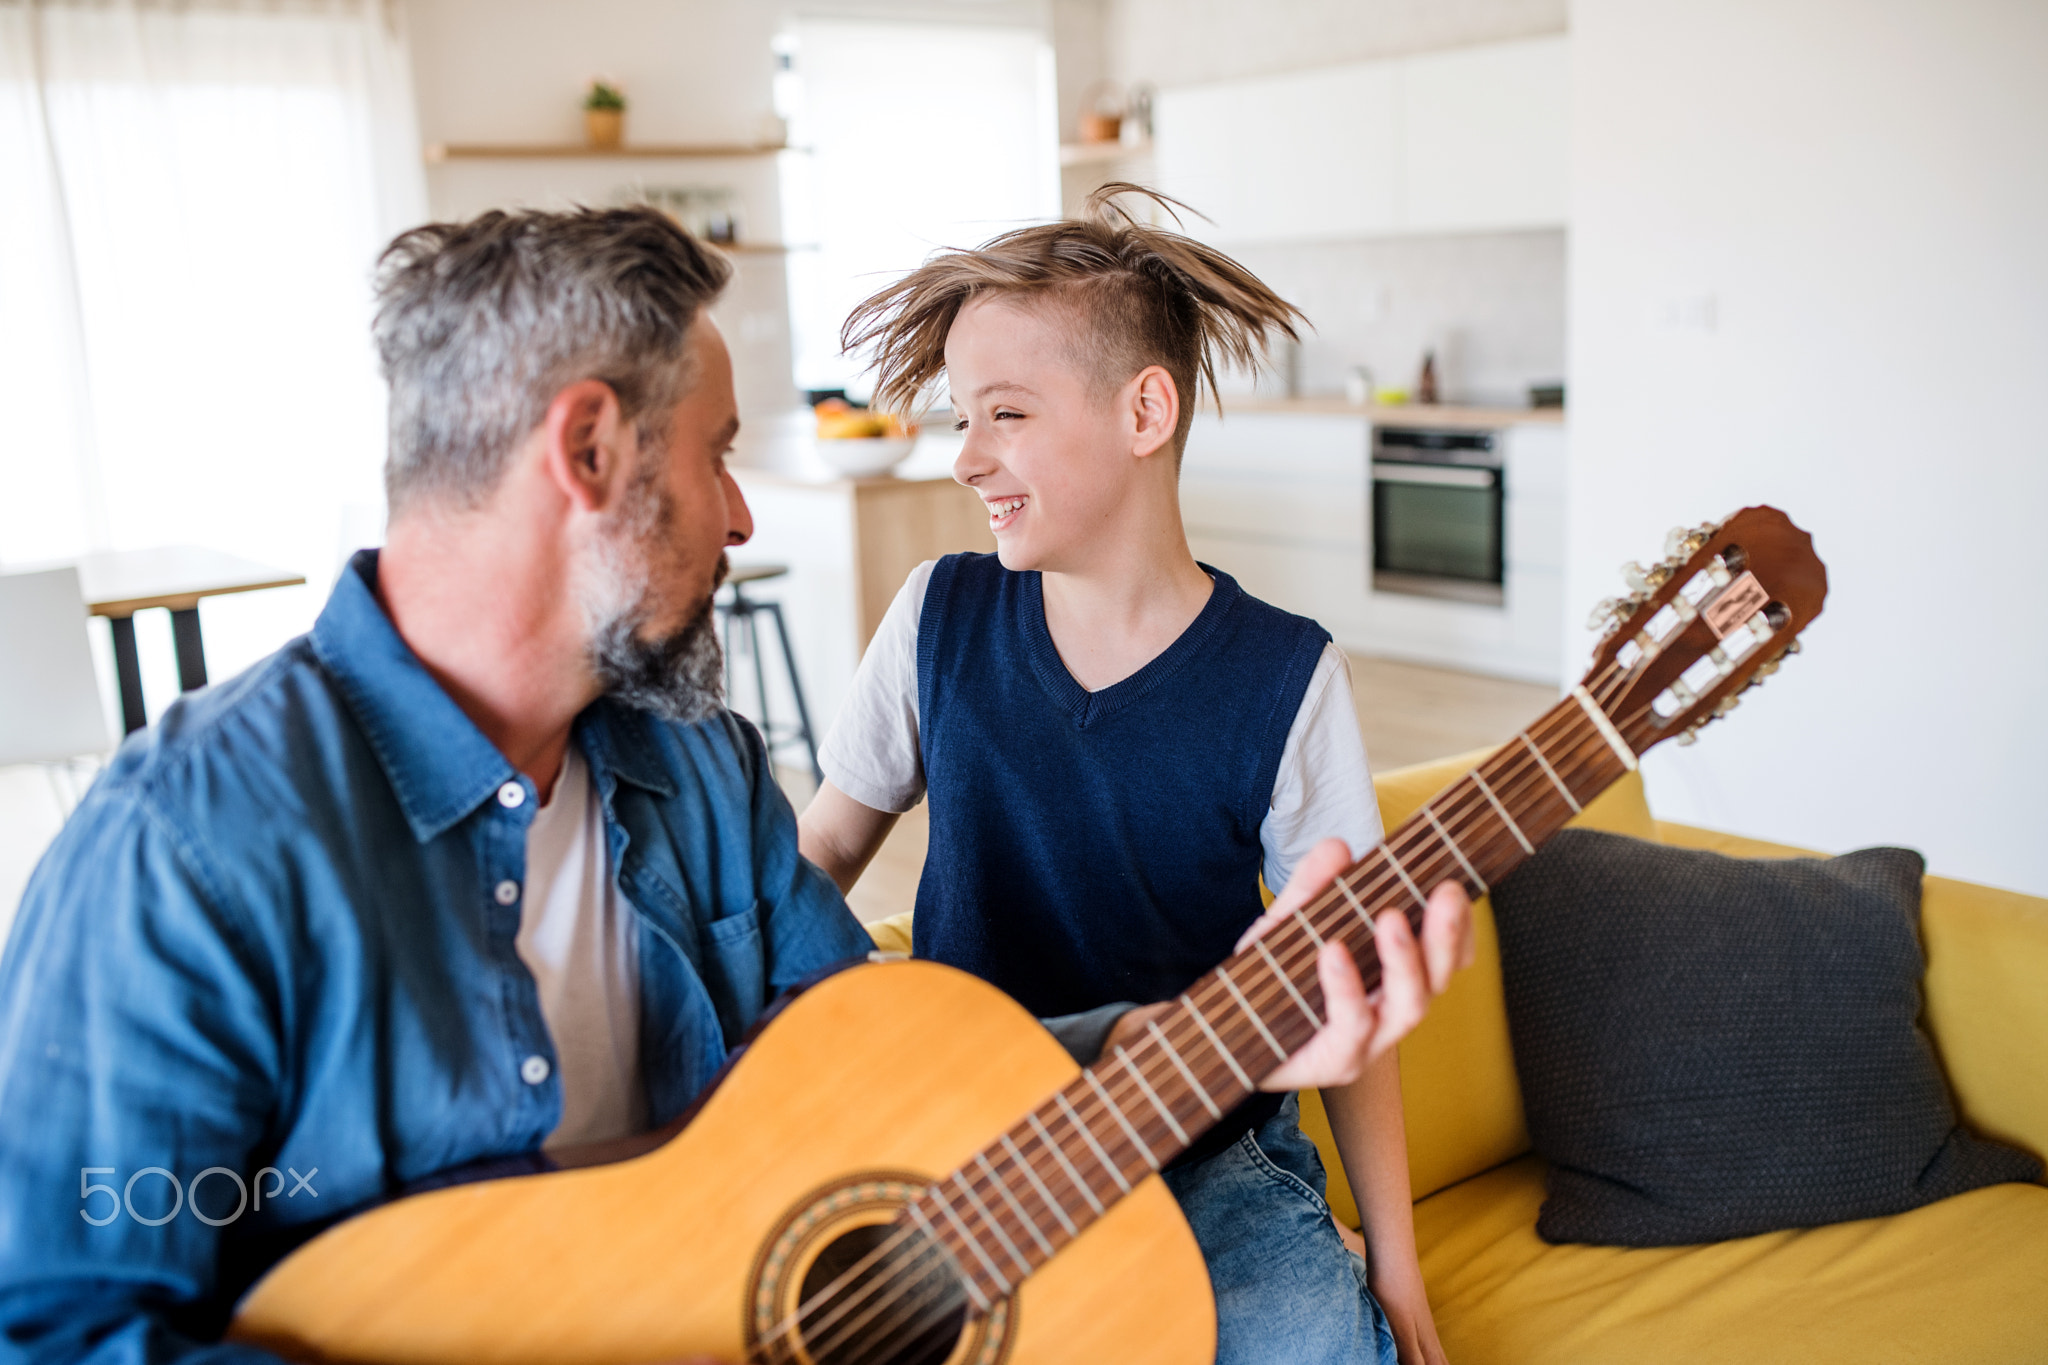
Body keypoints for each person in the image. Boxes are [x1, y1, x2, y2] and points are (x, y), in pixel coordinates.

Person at [0, 205, 1467, 1363]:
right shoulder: (183, 852)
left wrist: (1209, 1038)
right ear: (587, 453)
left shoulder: (696, 767)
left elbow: (887, 1078)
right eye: (716, 455)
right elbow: (59, 1322)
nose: (750, 512)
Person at [799, 185, 1471, 1365]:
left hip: (1212, 1152)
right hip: (973, 1147)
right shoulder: (934, 617)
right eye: (963, 417)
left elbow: (1350, 987)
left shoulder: (1288, 674)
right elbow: (811, 870)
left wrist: (1397, 1265)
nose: (964, 458)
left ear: (1144, 409)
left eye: (1004, 412)